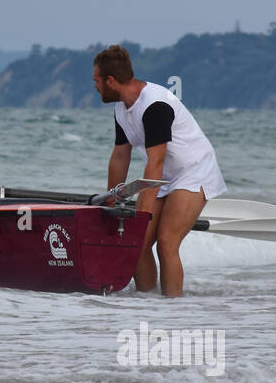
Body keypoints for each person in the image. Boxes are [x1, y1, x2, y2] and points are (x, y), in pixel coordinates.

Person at [92, 45, 225, 297]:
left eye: (97, 81)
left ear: (111, 81)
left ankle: (173, 308)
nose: (95, 86)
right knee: (137, 244)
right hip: (163, 176)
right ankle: (149, 303)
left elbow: (155, 163)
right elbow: (121, 155)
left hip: (194, 171)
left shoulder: (155, 105)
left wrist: (141, 215)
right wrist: (112, 198)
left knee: (166, 242)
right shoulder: (121, 109)